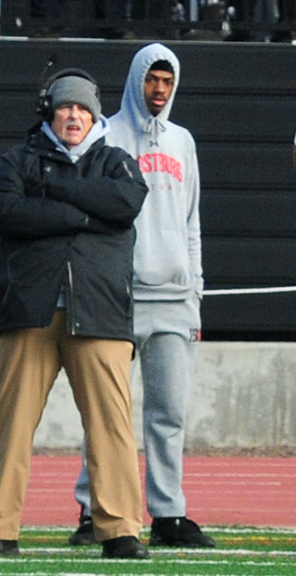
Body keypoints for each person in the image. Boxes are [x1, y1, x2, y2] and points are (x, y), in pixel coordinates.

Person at [0, 68, 149, 559]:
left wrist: (54, 189)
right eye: (65, 107)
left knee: (111, 427)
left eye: (83, 108)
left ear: (95, 114)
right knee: (10, 426)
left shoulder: (117, 161)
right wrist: (86, 217)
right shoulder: (18, 160)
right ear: (49, 112)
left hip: (100, 314)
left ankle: (120, 529)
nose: (74, 116)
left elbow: (126, 203)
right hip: (29, 311)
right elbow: (7, 212)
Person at [68, 45, 213, 550]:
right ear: (136, 80)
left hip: (175, 299)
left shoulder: (183, 141)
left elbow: (191, 221)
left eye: (167, 82)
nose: (159, 90)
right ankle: (93, 509)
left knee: (169, 413)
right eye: (152, 79)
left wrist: (195, 290)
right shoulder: (106, 135)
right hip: (119, 297)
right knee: (106, 411)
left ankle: (168, 513)